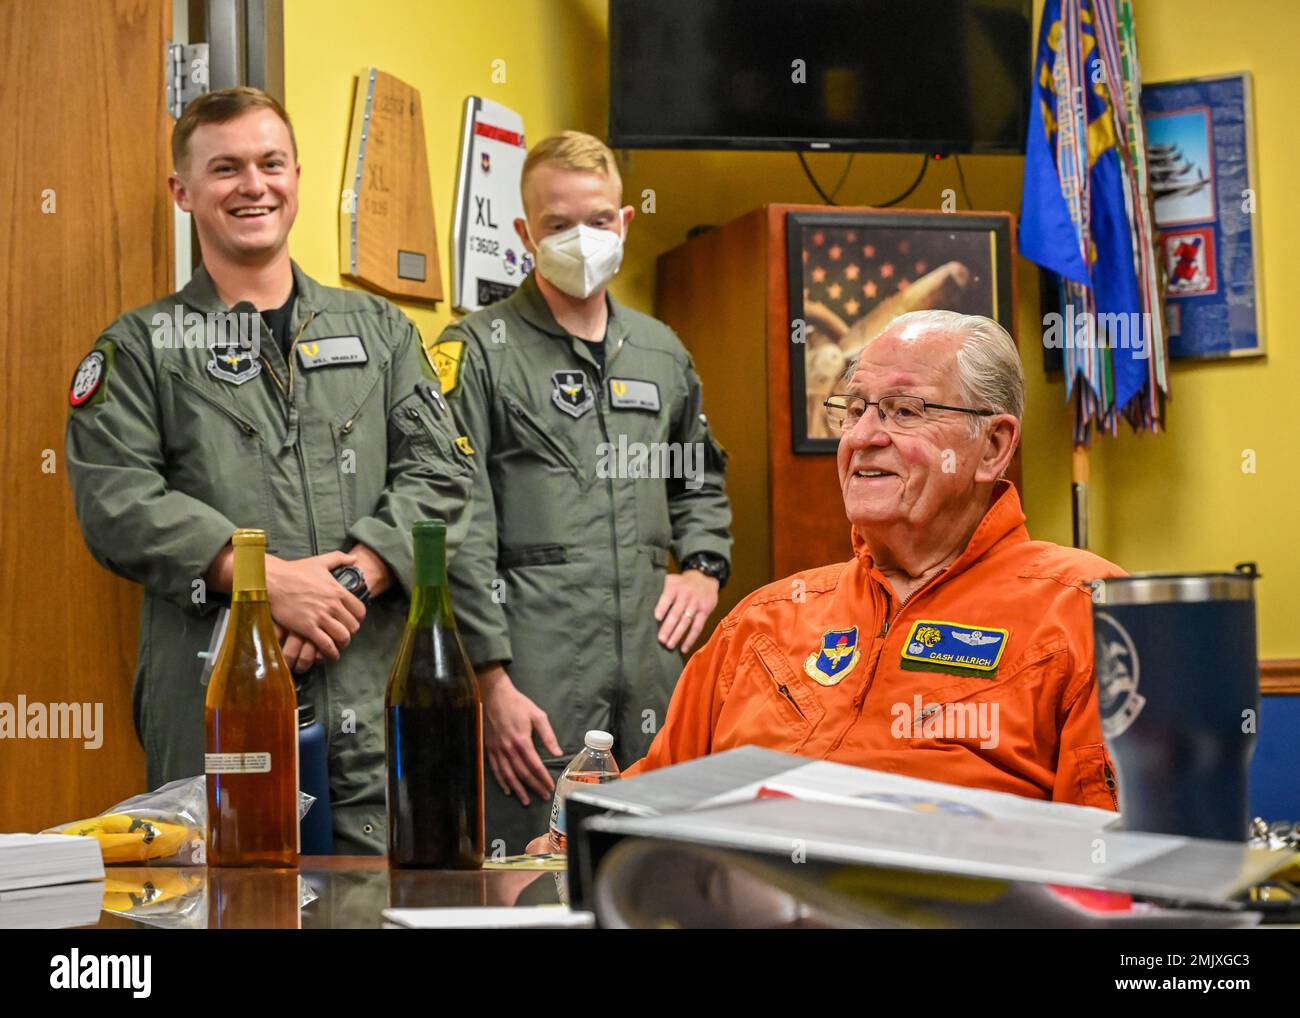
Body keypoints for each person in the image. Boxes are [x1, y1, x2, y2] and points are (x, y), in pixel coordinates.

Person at [527, 309, 1125, 852]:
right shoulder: (766, 618)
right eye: (855, 409)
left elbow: (1114, 865)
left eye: (904, 411)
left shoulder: (1085, 611)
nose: (863, 436)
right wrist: (570, 846)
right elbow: (641, 810)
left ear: (993, 446)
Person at [64, 87, 473, 854]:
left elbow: (444, 477)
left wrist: (351, 580)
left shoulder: (382, 331)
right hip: (216, 698)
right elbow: (114, 500)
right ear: (182, 191)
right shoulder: (142, 347)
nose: (253, 185)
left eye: (270, 162)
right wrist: (269, 584)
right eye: (225, 168)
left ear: (296, 175)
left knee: (383, 895)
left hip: (372, 688)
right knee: (229, 894)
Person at [430, 131, 733, 851]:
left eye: (598, 219)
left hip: (655, 659)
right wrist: (491, 682)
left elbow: (698, 475)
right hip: (535, 668)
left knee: (659, 863)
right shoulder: (475, 352)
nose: (581, 237)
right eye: (558, 224)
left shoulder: (663, 351)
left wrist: (703, 567)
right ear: (524, 234)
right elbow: (454, 521)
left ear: (625, 222)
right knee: (538, 867)